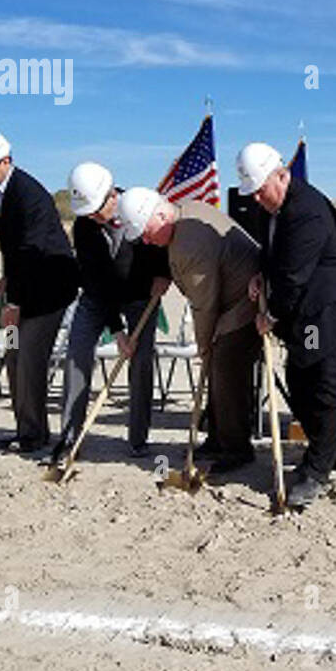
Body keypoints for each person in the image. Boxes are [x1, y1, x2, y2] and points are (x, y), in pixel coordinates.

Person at [238, 144, 336, 506]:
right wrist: (260, 275)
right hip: (307, 314)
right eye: (250, 193)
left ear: (281, 176)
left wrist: (270, 316)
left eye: (260, 190)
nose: (256, 199)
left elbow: (293, 276)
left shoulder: (306, 211)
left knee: (327, 390)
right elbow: (275, 256)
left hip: (332, 313)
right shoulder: (273, 206)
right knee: (301, 384)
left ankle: (316, 471)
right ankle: (335, 450)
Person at [117, 187, 261, 471]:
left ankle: (236, 449)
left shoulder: (189, 246)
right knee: (218, 369)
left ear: (161, 214)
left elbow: (204, 306)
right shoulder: (181, 213)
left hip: (246, 300)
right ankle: (218, 438)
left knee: (225, 368)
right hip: (230, 298)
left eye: (146, 232)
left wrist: (204, 346)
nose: (146, 241)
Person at [0, 129, 80, 454]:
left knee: (29, 356)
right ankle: (26, 427)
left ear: (6, 160)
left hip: (48, 294)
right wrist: (7, 278)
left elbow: (31, 251)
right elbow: (11, 246)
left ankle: (34, 435)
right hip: (20, 285)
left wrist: (13, 300)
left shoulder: (29, 194)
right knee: (12, 352)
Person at [55, 163, 171, 462]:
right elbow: (97, 279)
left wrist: (164, 273)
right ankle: (70, 437)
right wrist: (117, 331)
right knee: (76, 354)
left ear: (111, 196)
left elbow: (163, 239)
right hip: (98, 297)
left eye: (96, 210)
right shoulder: (83, 226)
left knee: (142, 359)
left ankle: (138, 439)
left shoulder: (139, 205)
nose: (93, 217)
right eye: (87, 212)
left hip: (141, 296)